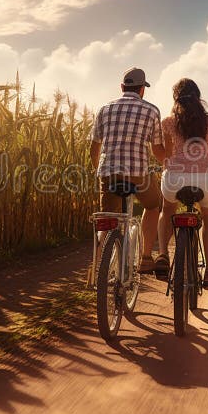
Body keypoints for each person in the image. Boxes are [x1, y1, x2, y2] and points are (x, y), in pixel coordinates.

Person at [155, 78, 208, 288]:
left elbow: (166, 155)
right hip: (207, 179)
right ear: (198, 97)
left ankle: (163, 255)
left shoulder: (168, 123)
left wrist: (172, 164)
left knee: (167, 211)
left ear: (176, 98)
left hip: (175, 179)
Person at [90, 67, 166, 273]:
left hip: (108, 173)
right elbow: (157, 148)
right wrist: (167, 163)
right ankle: (146, 257)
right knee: (153, 205)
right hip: (137, 174)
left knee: (107, 218)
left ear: (122, 87)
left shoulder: (105, 108)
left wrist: (100, 170)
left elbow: (94, 147)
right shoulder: (151, 110)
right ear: (142, 89)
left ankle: (97, 268)